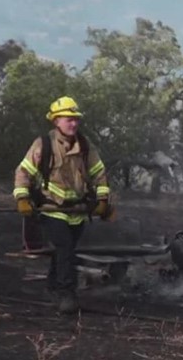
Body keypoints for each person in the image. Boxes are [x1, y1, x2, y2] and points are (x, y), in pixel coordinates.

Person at [12, 96, 112, 314]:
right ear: (56, 121)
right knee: (65, 248)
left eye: (75, 119)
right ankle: (66, 293)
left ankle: (52, 286)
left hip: (77, 211)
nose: (73, 123)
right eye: (68, 119)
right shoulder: (43, 145)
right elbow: (23, 172)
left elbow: (99, 174)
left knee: (63, 251)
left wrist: (103, 201)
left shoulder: (85, 146)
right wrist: (22, 198)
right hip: (51, 208)